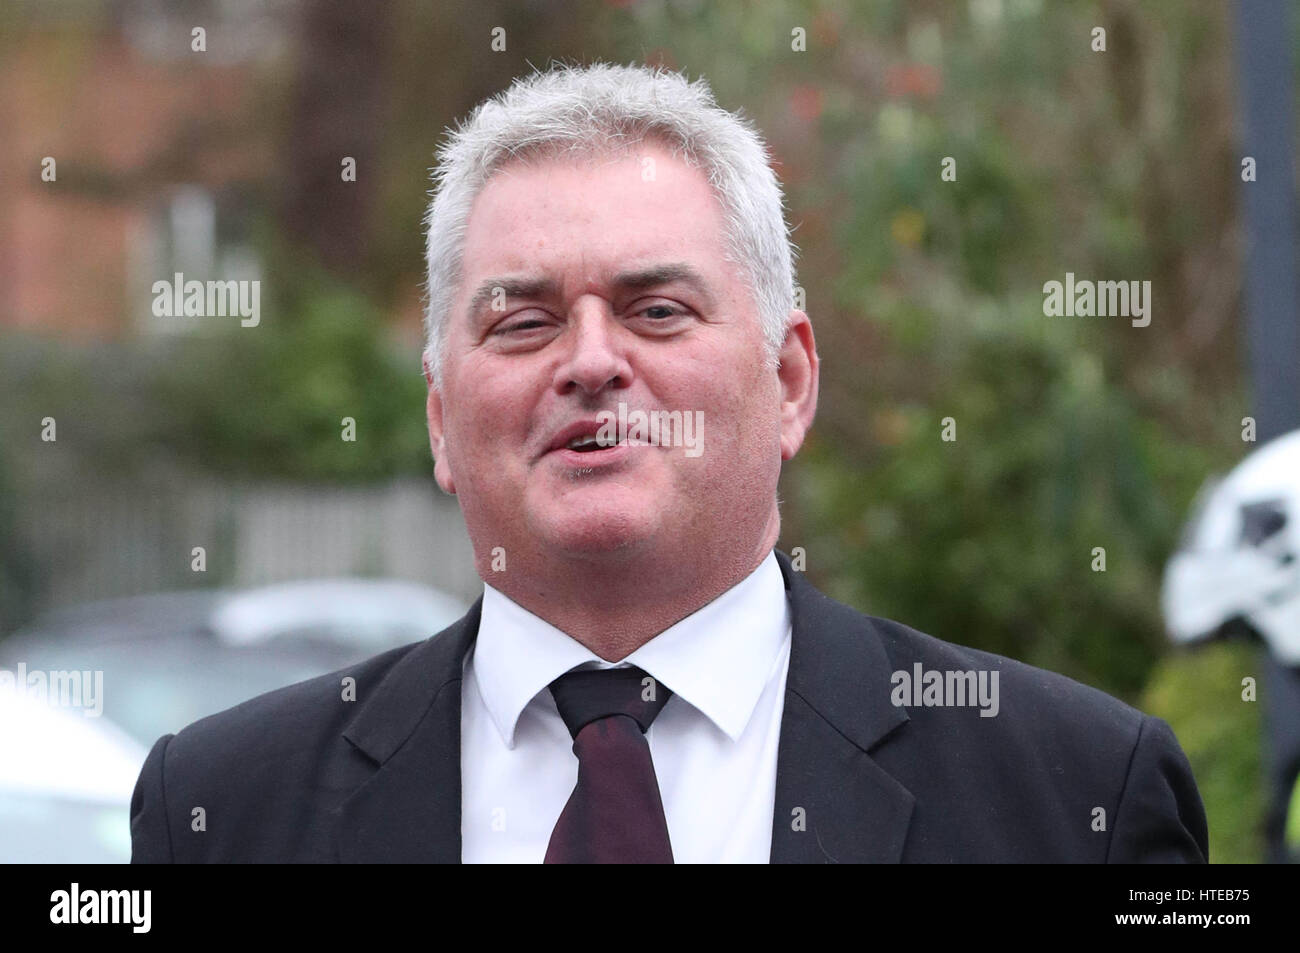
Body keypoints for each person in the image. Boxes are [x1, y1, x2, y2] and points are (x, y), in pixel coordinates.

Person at [130, 61, 1208, 863]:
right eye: (522, 321)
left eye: (656, 308)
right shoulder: (220, 812)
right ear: (439, 420)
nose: (590, 361)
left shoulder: (1074, 799)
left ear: (787, 381)